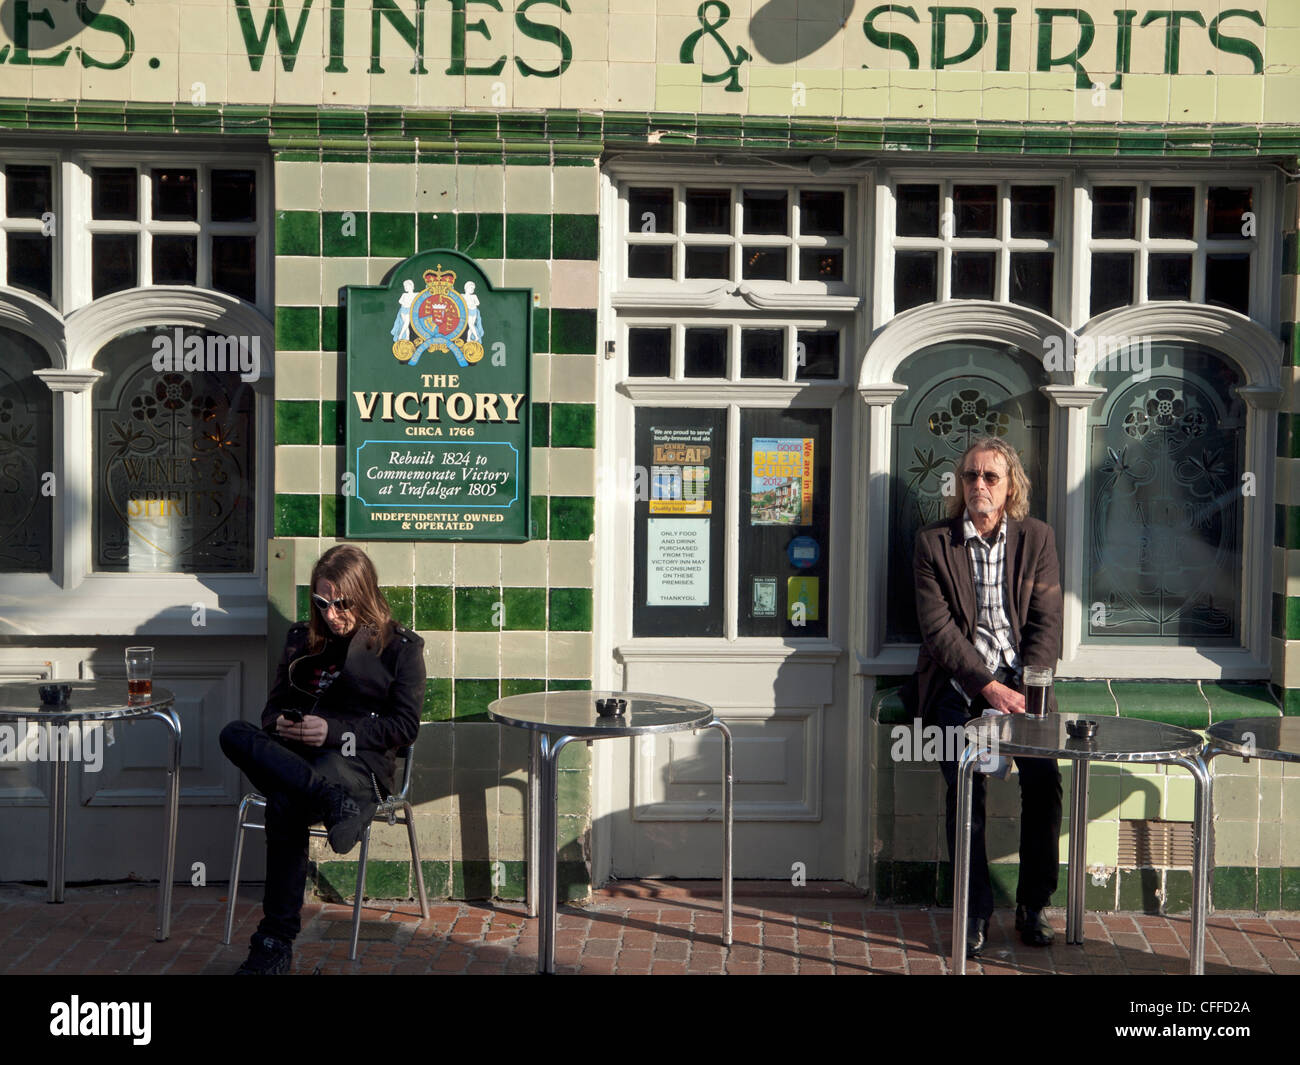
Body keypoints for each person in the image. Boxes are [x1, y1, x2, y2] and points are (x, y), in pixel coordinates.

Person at [219, 545, 425, 974]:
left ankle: (273, 945)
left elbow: (404, 727)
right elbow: (270, 713)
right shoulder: (301, 640)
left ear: (364, 594)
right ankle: (327, 800)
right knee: (234, 734)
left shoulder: (400, 648)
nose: (331, 614)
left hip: (353, 765)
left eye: (341, 603)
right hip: (297, 759)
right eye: (322, 603)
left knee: (285, 803)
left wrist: (333, 731)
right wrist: (286, 726)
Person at [909, 436, 1063, 958]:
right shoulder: (934, 543)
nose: (978, 485)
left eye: (990, 477)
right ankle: (974, 911)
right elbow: (939, 631)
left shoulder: (1036, 539)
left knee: (1045, 781)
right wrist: (986, 686)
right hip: (961, 685)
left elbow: (1046, 624)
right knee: (965, 782)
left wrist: (1025, 688)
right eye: (970, 476)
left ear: (1009, 486)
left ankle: (1033, 905)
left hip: (1021, 687)